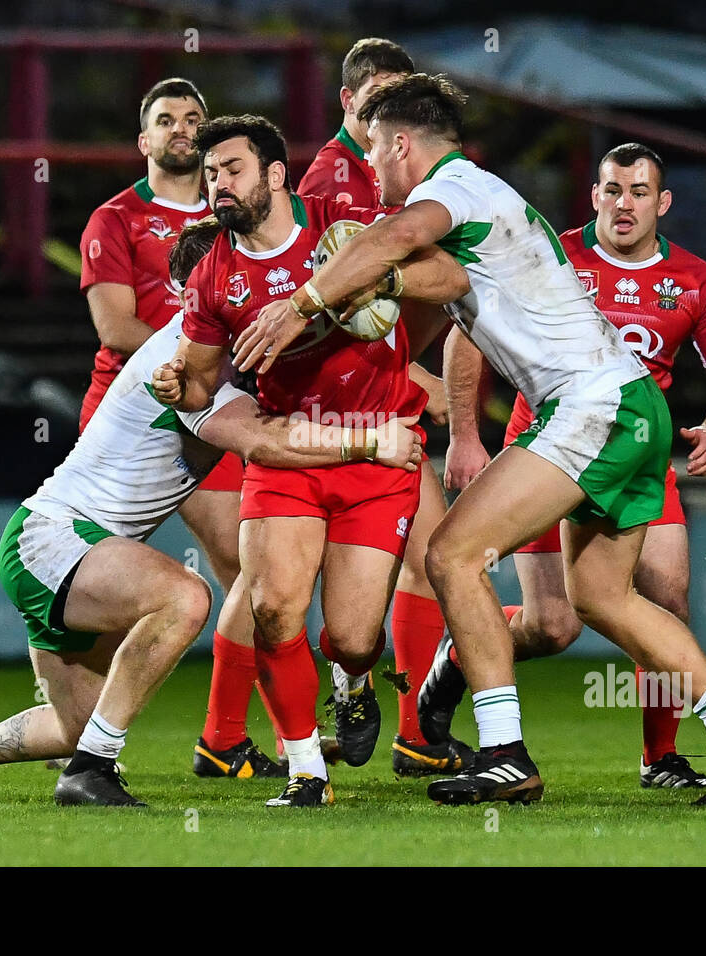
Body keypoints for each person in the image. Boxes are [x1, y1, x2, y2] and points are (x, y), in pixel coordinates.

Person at [247, 73, 706, 807]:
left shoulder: (456, 188)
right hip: (628, 405)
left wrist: (302, 302)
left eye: (375, 148)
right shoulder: (479, 202)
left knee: (452, 553)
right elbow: (437, 273)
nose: (371, 165)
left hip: (591, 407)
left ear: (402, 143)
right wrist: (372, 282)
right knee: (601, 598)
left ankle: (504, 751)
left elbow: (399, 239)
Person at [0, 220, 427, 808]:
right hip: (55, 540)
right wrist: (373, 441)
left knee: (74, 727)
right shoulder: (186, 372)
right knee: (185, 597)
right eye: (237, 286)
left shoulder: (223, 355)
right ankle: (91, 773)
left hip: (65, 549)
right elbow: (266, 441)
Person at [151, 114, 470, 807]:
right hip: (288, 450)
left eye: (232, 169)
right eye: (209, 175)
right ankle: (305, 773)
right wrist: (179, 383)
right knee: (272, 608)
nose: (218, 185)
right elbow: (203, 380)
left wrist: (378, 282)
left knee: (354, 638)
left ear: (274, 174)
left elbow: (450, 277)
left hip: (378, 450)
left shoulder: (346, 226)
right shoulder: (214, 277)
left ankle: (353, 683)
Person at [425, 142, 706, 790]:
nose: (623, 203)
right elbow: (468, 330)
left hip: (634, 447)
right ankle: (462, 655)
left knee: (667, 596)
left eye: (638, 191)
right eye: (611, 189)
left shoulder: (694, 279)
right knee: (554, 626)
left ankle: (659, 756)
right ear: (594, 195)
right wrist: (465, 434)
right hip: (546, 447)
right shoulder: (556, 257)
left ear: (661, 203)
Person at [76, 78, 279, 777]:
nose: (183, 130)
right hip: (132, 417)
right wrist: (201, 352)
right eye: (166, 120)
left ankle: (238, 736)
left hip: (205, 409)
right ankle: (80, 727)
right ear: (144, 140)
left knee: (253, 569)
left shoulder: (232, 214)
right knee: (92, 581)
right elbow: (114, 328)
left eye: (194, 118)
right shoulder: (114, 219)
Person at [297, 36, 470, 776]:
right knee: (275, 586)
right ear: (349, 102)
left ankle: (410, 731)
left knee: (428, 563)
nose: (394, 115)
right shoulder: (328, 181)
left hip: (387, 397)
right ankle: (248, 728)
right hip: (327, 409)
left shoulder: (410, 177)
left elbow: (437, 280)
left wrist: (416, 368)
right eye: (381, 97)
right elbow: (322, 301)